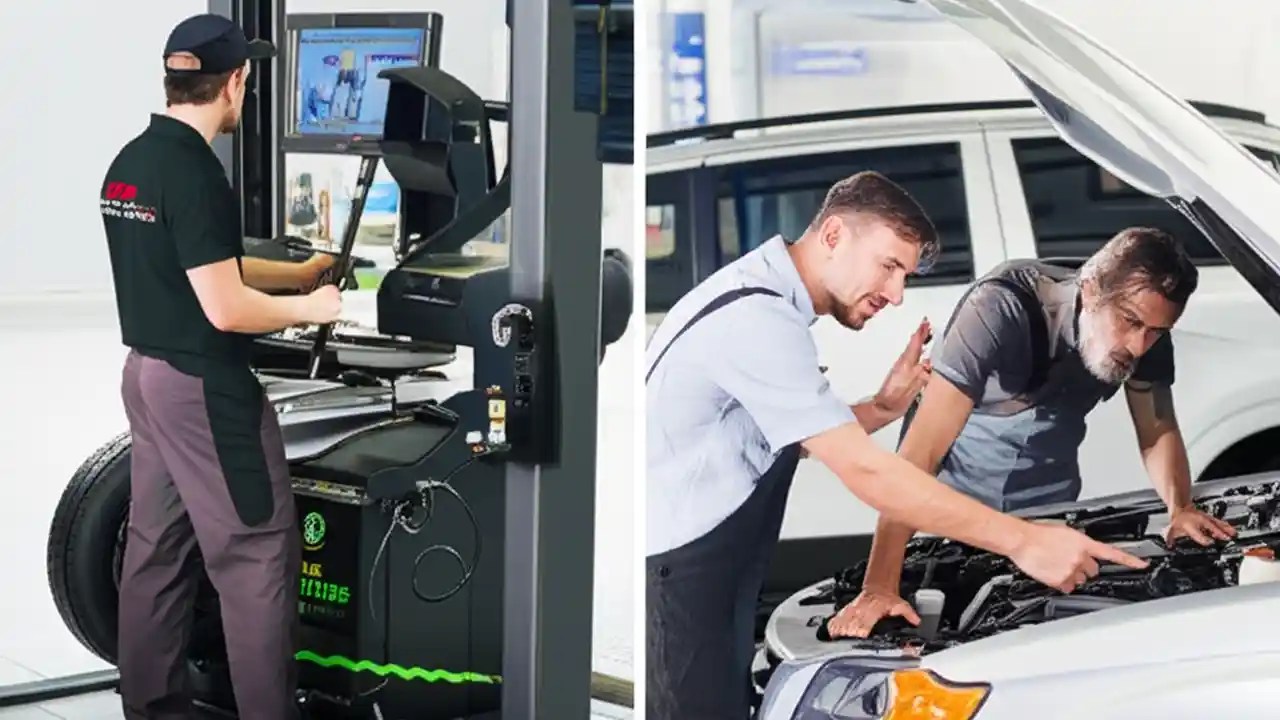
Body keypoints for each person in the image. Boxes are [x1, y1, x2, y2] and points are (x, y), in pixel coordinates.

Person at [644, 171, 1147, 720]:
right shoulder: (756, 320)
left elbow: (779, 435)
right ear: (834, 235)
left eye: (904, 275)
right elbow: (868, 473)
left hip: (709, 561)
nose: (896, 293)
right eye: (888, 266)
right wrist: (1022, 541)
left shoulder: (759, 298)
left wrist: (883, 407)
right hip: (683, 573)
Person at [100, 14, 343, 720]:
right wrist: (314, 309)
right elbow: (227, 307)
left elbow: (205, 265)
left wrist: (298, 273)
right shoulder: (197, 173)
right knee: (255, 555)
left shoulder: (134, 162)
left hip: (146, 377)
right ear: (235, 82)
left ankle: (152, 708)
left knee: (156, 551)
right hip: (204, 391)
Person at [827, 227, 1236, 639]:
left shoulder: (1146, 324)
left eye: (1156, 332)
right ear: (1090, 289)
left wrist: (1180, 508)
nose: (1139, 346)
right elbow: (919, 456)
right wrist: (880, 586)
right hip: (950, 520)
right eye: (1129, 321)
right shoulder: (999, 309)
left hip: (1050, 517)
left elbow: (1157, 425)